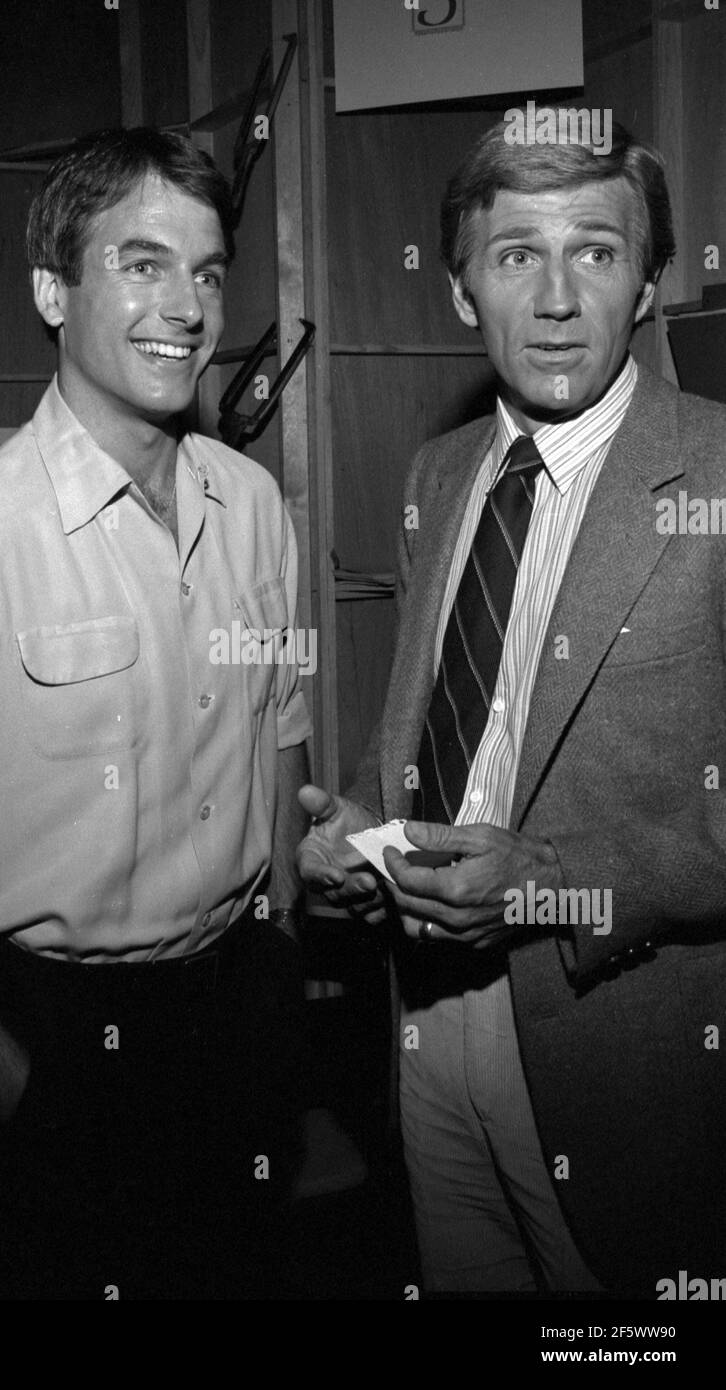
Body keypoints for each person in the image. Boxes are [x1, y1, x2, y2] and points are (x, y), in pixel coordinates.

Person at [0, 128, 312, 1299]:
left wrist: (280, 935)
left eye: (206, 270)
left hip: (225, 1013)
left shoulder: (251, 508)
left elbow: (280, 721)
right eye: (140, 264)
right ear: (50, 291)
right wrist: (1, 1073)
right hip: (44, 1023)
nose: (184, 306)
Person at [297, 111, 726, 1297]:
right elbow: (452, 717)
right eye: (512, 255)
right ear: (456, 291)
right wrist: (359, 833)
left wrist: (555, 878)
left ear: (646, 283)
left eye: (593, 250)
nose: (552, 297)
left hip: (625, 1061)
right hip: (428, 1031)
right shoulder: (437, 473)